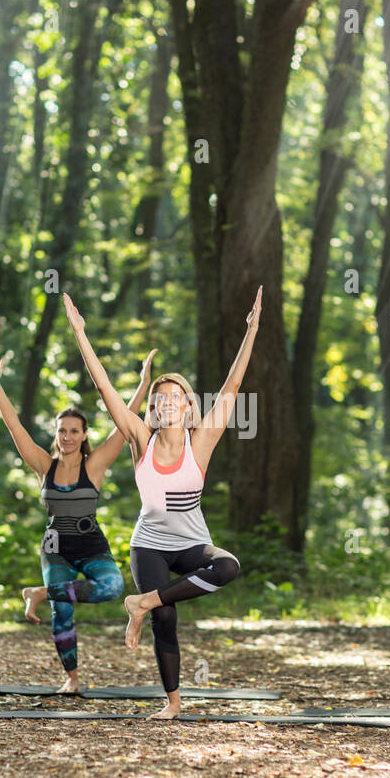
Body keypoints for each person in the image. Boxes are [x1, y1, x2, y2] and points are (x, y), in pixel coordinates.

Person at [63, 287, 262, 719]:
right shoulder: (140, 438)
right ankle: (173, 703)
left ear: (189, 405)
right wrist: (80, 332)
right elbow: (104, 387)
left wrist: (252, 331)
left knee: (228, 566)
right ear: (153, 407)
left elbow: (232, 386)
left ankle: (143, 603)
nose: (167, 403)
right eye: (160, 398)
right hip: (149, 544)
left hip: (191, 544)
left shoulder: (201, 441)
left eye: (176, 397)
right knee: (167, 619)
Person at [0, 345, 154, 694]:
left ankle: (39, 593)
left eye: (74, 431)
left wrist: (143, 383)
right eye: (62, 431)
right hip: (55, 549)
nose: (67, 437)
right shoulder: (43, 465)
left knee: (113, 587)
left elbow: (125, 424)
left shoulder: (94, 466)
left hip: (91, 546)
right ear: (56, 434)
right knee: (61, 612)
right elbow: (14, 426)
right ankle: (72, 679)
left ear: (84, 435)